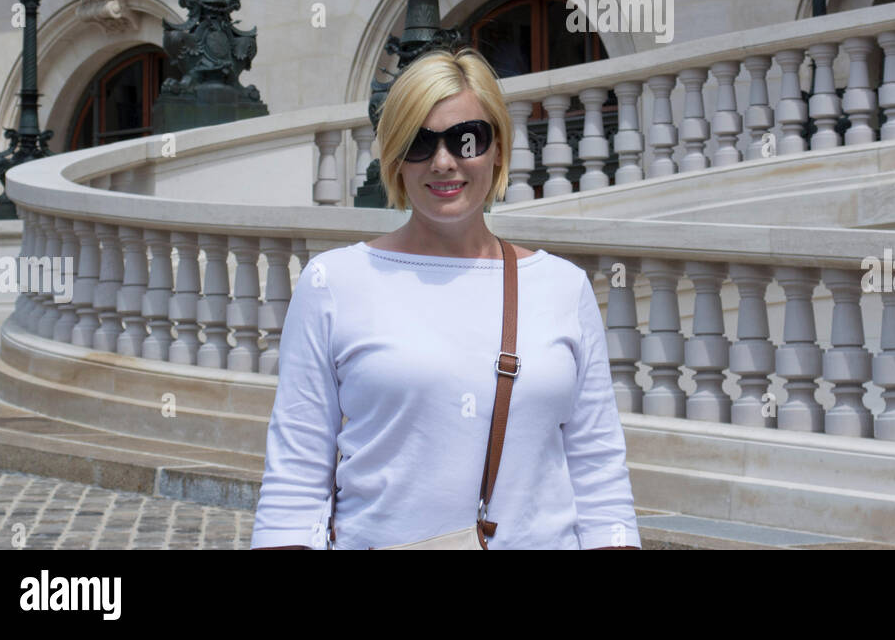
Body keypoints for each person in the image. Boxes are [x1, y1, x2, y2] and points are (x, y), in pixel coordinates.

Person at [251, 46, 641, 549]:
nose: (443, 162)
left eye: (466, 140)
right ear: (394, 153)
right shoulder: (335, 282)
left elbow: (598, 470)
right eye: (419, 142)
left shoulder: (562, 286)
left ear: (497, 149)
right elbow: (297, 476)